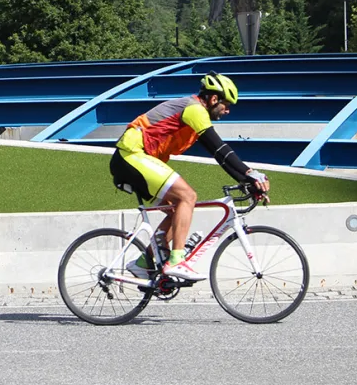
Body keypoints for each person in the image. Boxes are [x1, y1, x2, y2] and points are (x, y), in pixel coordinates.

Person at [109, 72, 269, 281]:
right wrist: (250, 174)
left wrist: (247, 181)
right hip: (131, 155)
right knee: (188, 196)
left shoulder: (195, 116)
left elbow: (219, 156)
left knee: (177, 210)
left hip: (133, 159)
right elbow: (220, 148)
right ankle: (176, 261)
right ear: (214, 99)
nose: (228, 110)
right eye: (226, 105)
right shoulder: (195, 109)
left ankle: (144, 262)